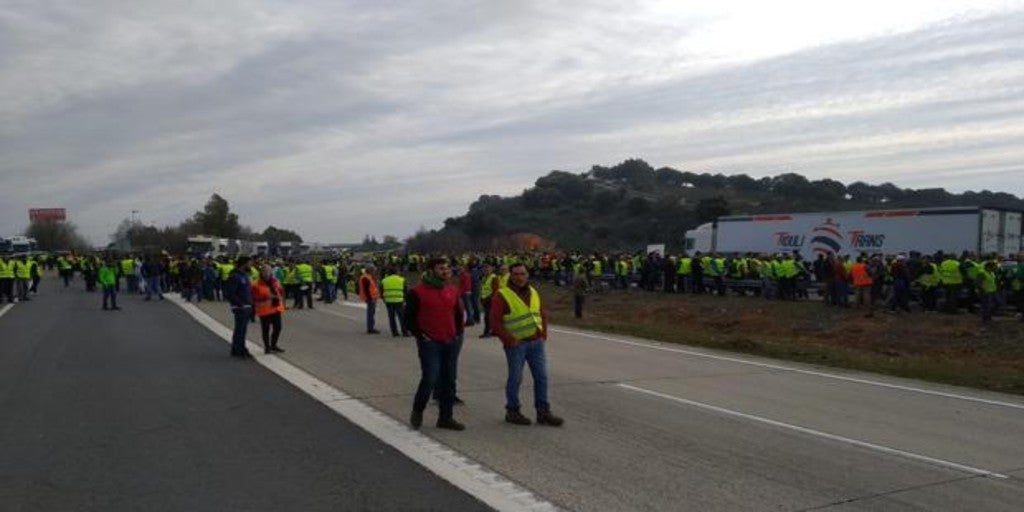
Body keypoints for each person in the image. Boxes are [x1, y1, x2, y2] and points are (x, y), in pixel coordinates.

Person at [490, 262, 564, 427]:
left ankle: (543, 411)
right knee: (515, 378)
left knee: (542, 377)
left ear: (527, 274)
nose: (520, 277)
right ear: (510, 275)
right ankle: (512, 410)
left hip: (535, 342)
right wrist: (509, 340)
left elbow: (541, 313)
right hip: (516, 344)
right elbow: (495, 322)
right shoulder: (502, 295)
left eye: (522, 273)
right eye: (516, 274)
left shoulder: (533, 291)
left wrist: (543, 333)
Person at [405, 258, 466, 431]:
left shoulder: (452, 290)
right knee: (430, 378)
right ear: (431, 271)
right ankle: (418, 410)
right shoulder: (417, 292)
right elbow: (408, 319)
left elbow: (457, 314)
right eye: (441, 268)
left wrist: (457, 333)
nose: (445, 271)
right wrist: (422, 336)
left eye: (447, 268)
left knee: (449, 380)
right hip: (430, 343)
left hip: (450, 341)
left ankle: (446, 418)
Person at [252, 264, 286, 354]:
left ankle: (273, 345)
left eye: (268, 271)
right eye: (264, 271)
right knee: (266, 329)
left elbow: (281, 291)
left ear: (271, 272)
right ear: (261, 272)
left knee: (278, 328)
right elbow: (254, 297)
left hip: (276, 308)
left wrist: (281, 298)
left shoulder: (275, 281)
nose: (266, 273)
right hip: (264, 309)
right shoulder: (256, 284)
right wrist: (268, 296)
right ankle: (267, 347)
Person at [224, 256, 254, 358]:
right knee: (240, 329)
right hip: (240, 307)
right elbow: (230, 293)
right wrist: (240, 304)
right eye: (249, 263)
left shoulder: (244, 275)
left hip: (247, 305)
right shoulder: (235, 276)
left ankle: (240, 347)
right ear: (244, 263)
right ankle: (238, 349)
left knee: (243, 329)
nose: (251, 265)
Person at [380, 267, 409, 337]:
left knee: (391, 317)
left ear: (388, 273)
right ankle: (405, 332)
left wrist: (384, 298)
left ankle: (394, 332)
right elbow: (406, 290)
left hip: (389, 301)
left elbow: (381, 291)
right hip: (399, 300)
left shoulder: (384, 280)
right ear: (396, 272)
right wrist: (405, 299)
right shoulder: (402, 280)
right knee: (402, 317)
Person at [359, 266, 381, 334]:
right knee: (370, 313)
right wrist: (370, 298)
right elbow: (366, 290)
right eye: (374, 271)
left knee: (371, 313)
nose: (375, 272)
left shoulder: (368, 277)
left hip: (372, 298)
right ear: (371, 271)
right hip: (370, 298)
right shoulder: (366, 278)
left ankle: (371, 327)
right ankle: (370, 328)